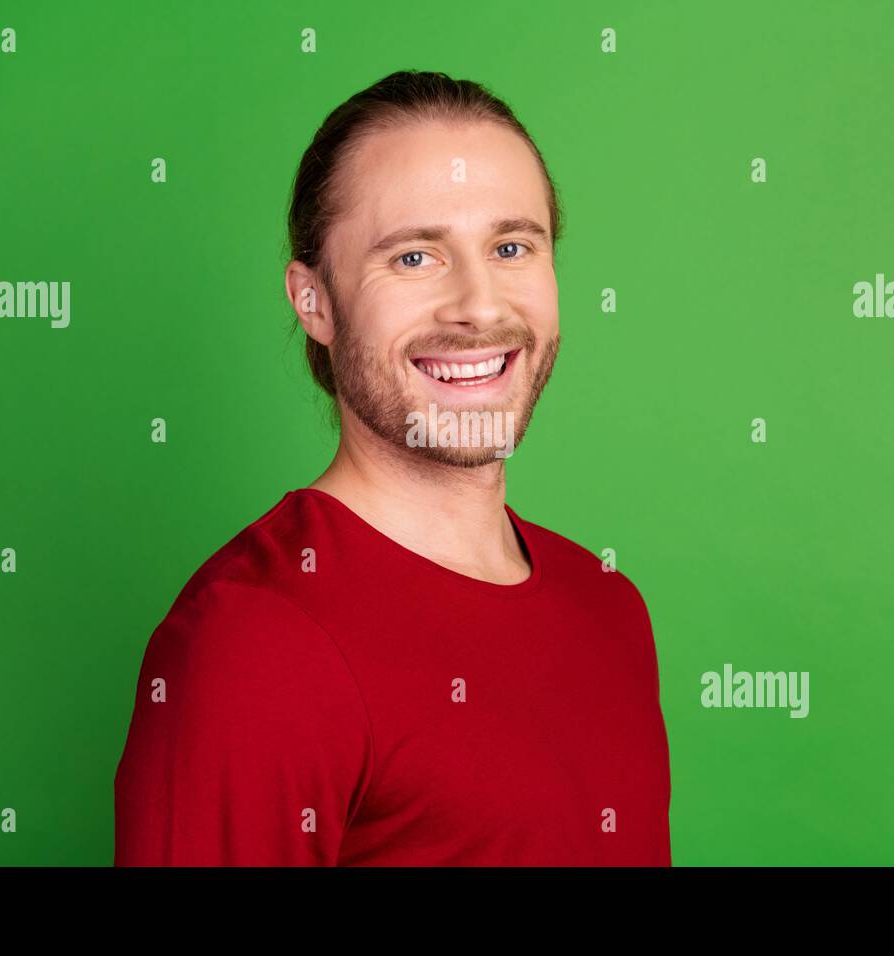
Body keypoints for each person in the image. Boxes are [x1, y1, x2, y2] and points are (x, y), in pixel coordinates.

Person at [114, 70, 670, 866]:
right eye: (414, 257)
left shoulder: (609, 609)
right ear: (315, 303)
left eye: (511, 247)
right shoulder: (250, 644)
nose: (479, 305)